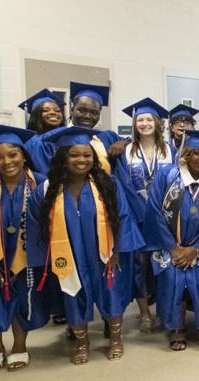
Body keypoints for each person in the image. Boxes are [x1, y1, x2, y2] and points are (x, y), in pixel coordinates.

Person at [27, 126, 144, 364]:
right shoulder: (47, 189)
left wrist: (118, 250)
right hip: (69, 253)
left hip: (104, 251)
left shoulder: (107, 184)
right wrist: (46, 258)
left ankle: (115, 338)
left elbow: (122, 217)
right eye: (74, 155)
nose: (81, 160)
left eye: (86, 155)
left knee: (111, 292)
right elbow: (36, 224)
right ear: (62, 158)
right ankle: (82, 342)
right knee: (73, 294)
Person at [0, 125, 49, 372]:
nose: (7, 161)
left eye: (13, 154)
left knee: (22, 302)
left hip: (27, 256)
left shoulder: (41, 183)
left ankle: (19, 346)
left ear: (24, 155)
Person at [145, 130, 199, 350]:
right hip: (169, 246)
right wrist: (173, 248)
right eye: (196, 153)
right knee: (173, 280)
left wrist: (196, 249)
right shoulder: (168, 176)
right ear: (186, 153)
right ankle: (176, 327)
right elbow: (154, 212)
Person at [121, 98, 173, 334]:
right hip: (137, 216)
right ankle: (144, 312)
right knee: (140, 264)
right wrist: (142, 209)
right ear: (134, 124)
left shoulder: (169, 149)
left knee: (163, 263)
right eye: (140, 120)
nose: (144, 124)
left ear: (157, 123)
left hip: (164, 216)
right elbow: (124, 185)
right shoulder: (127, 151)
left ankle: (164, 310)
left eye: (148, 119)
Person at [26, 82, 125, 177]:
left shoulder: (105, 137)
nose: (87, 116)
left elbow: (132, 143)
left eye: (94, 112)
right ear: (72, 109)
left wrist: (124, 142)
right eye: (82, 110)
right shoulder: (55, 138)